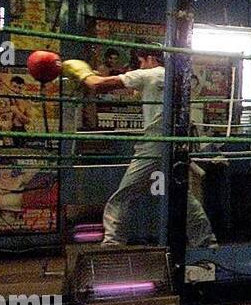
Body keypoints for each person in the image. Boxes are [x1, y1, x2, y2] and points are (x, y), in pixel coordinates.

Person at [63, 47, 217, 248]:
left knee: (123, 196)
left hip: (154, 146)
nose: (140, 66)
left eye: (141, 61)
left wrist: (81, 72)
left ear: (150, 58)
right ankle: (207, 244)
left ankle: (112, 245)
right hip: (176, 144)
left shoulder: (149, 73)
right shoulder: (178, 78)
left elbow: (98, 85)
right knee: (181, 195)